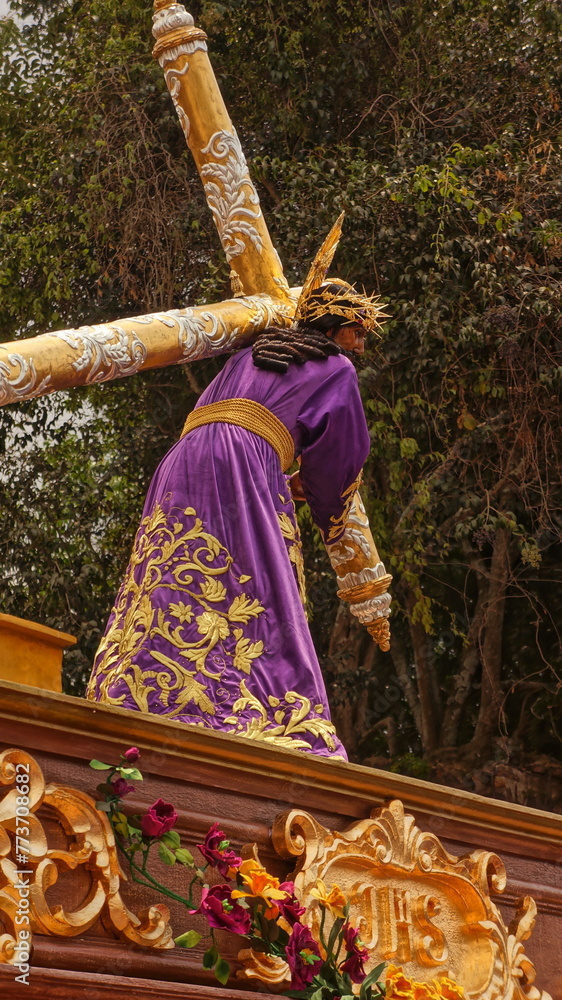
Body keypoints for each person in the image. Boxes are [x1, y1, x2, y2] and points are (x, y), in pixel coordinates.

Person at [87, 227, 391, 760]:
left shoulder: (250, 355)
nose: (360, 346)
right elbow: (340, 460)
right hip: (242, 463)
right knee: (256, 577)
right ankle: (267, 712)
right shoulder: (336, 369)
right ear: (335, 329)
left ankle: (137, 688)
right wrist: (326, 509)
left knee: (170, 567)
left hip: (183, 460)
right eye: (357, 331)